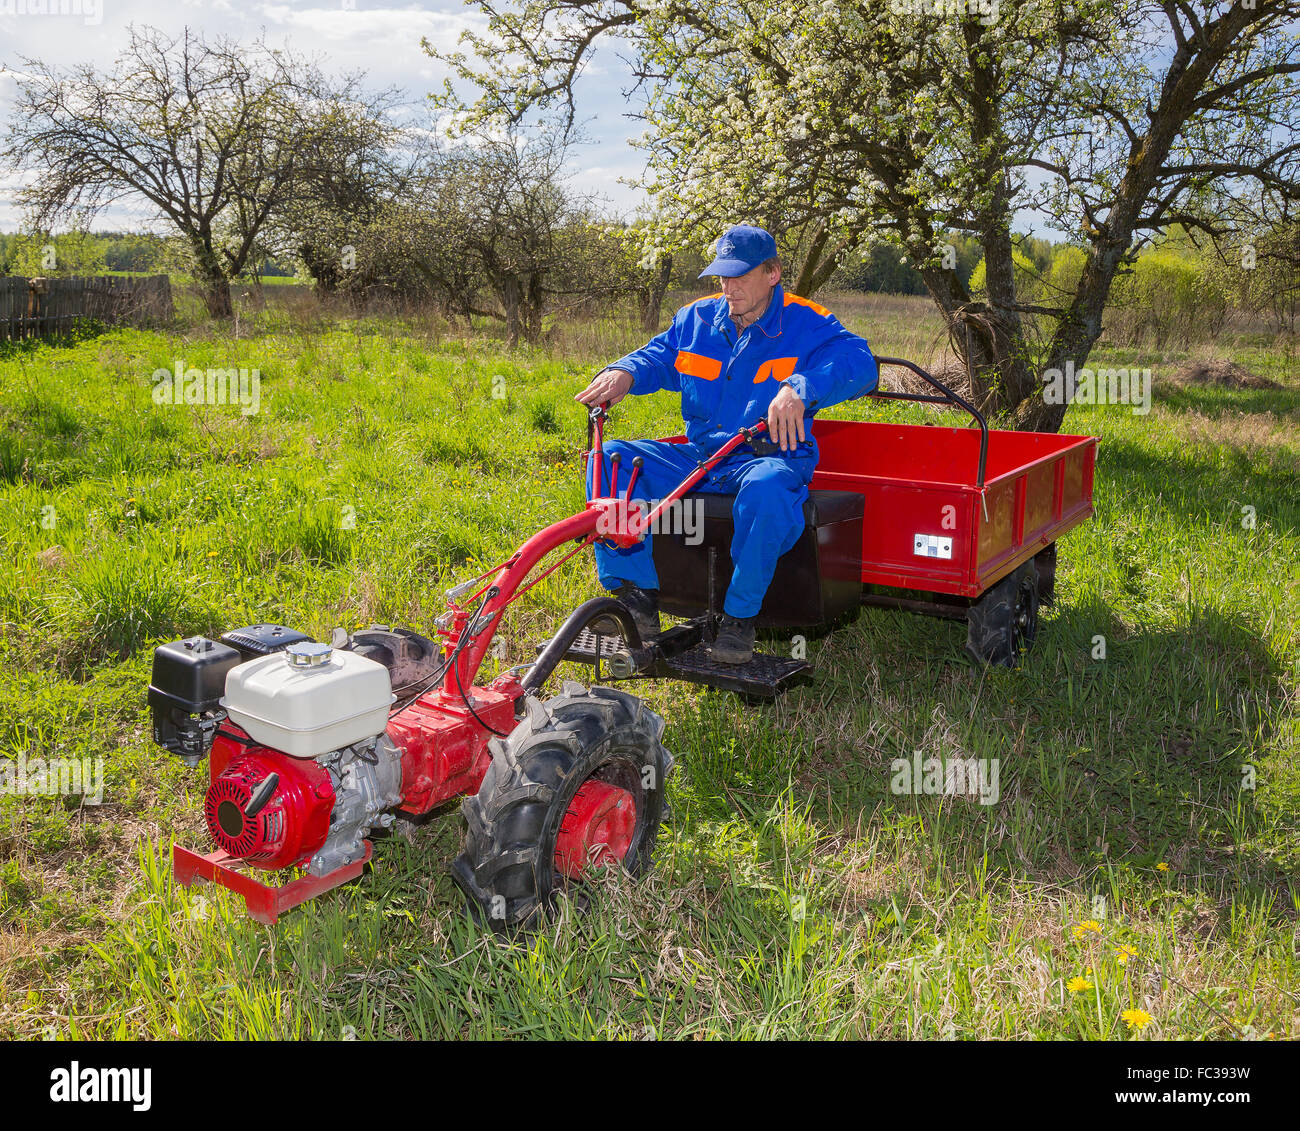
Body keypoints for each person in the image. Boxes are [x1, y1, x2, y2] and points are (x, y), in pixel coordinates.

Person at [576, 224, 878, 664]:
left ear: (772, 273)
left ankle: (738, 619)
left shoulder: (807, 321)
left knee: (771, 487)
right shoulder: (696, 318)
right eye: (722, 276)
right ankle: (634, 599)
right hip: (701, 456)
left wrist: (802, 387)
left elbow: (861, 363)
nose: (728, 287)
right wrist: (626, 371)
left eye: (739, 276)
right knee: (612, 460)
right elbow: (658, 357)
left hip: (764, 458)